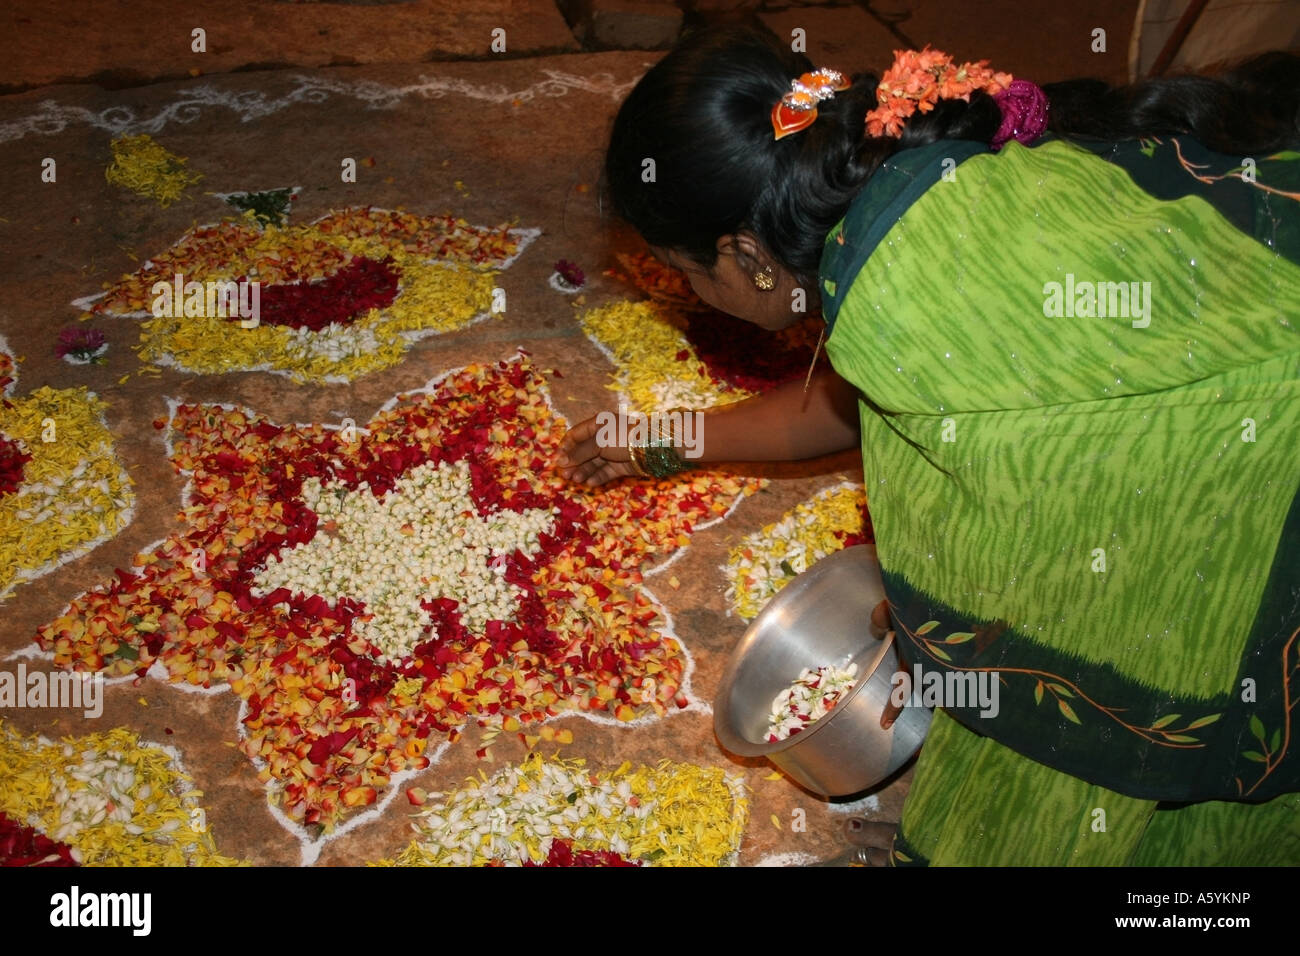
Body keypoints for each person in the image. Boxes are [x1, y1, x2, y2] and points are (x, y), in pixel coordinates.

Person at [557, 25, 1300, 866]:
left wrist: (936, 623)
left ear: (746, 255)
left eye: (684, 274)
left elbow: (1038, 563)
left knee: (1111, 694)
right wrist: (671, 438)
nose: (688, 295)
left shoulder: (897, 306)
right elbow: (854, 402)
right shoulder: (903, 179)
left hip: (1273, 459)